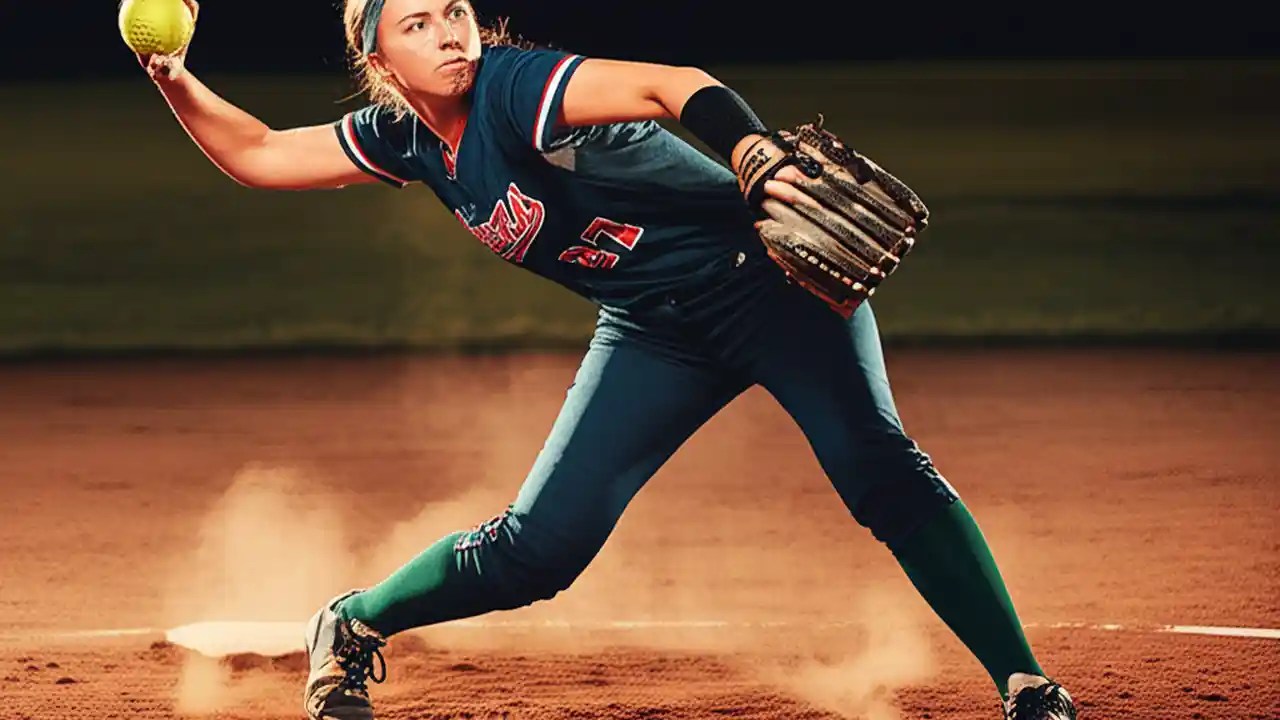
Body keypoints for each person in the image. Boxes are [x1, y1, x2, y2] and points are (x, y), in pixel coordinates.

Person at [134, 1, 1079, 718]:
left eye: (456, 11)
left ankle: (1025, 682)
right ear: (377, 56)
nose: (451, 35)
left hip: (769, 288)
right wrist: (173, 76)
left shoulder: (514, 85)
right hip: (651, 330)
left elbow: (673, 82)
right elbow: (258, 153)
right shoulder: (409, 138)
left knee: (880, 468)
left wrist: (747, 144)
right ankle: (353, 618)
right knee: (537, 553)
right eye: (418, 25)